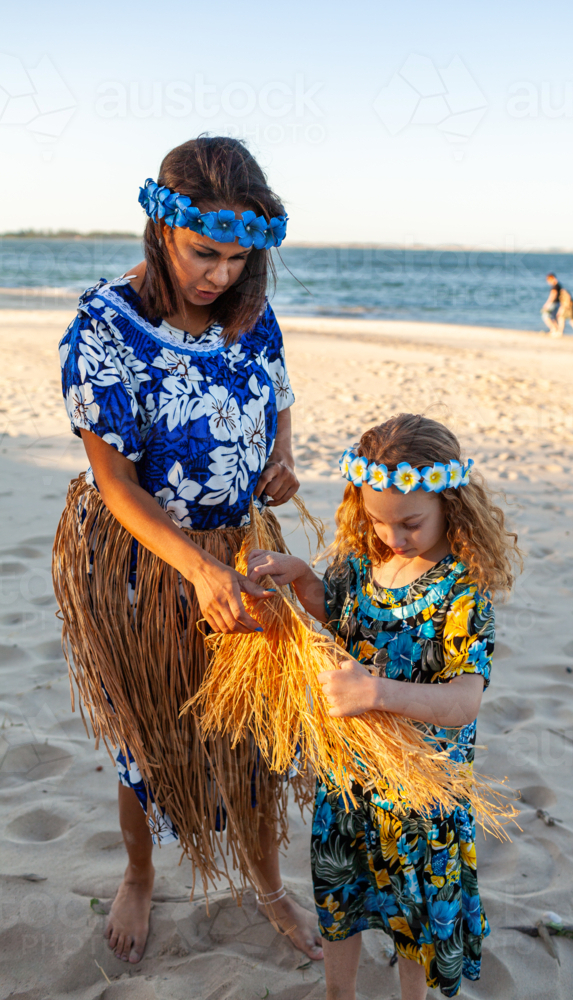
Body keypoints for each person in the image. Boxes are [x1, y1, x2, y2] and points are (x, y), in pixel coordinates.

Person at [52, 136, 323, 965]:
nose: (221, 275)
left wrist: (280, 457)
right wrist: (197, 568)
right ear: (160, 230)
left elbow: (275, 389)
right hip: (143, 564)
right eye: (205, 253)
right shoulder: (105, 325)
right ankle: (138, 872)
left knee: (254, 734)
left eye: (239, 259)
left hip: (244, 551)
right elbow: (117, 484)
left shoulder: (249, 311)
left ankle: (268, 881)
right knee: (152, 735)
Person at [246, 414, 520, 1000]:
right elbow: (338, 617)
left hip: (419, 795)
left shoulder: (461, 591)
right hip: (348, 781)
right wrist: (303, 581)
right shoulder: (360, 560)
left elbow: (464, 702)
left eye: (411, 523)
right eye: (377, 520)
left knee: (412, 920)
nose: (393, 537)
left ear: (452, 504)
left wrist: (377, 693)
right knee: (340, 899)